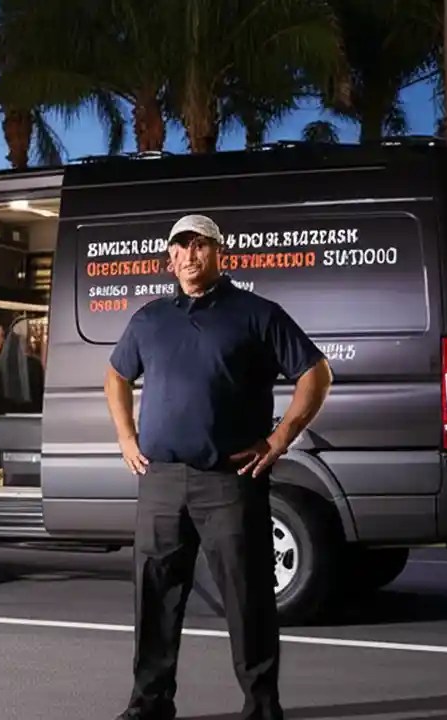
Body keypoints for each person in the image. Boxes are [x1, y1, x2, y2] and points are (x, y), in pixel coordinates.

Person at [103, 214, 333, 720]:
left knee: (248, 597)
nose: (188, 255)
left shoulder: (256, 314)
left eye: (198, 245)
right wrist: (125, 437)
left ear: (218, 251)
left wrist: (278, 440)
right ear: (169, 258)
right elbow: (116, 376)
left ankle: (262, 707)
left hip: (228, 483)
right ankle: (150, 704)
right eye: (179, 248)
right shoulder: (150, 319)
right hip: (160, 481)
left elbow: (316, 374)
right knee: (155, 596)